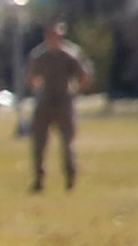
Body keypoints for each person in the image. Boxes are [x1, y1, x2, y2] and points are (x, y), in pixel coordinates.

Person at [22, 23, 89, 190]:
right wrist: (37, 89)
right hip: (44, 103)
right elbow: (30, 77)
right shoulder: (39, 56)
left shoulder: (69, 55)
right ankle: (38, 179)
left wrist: (75, 91)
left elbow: (84, 75)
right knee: (38, 144)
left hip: (63, 103)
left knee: (67, 145)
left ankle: (70, 178)